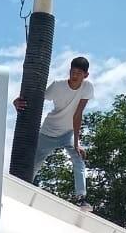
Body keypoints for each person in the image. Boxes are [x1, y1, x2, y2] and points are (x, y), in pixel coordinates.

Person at [14, 56, 93, 208]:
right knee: (35, 163)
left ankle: (81, 197)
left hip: (68, 133)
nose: (74, 76)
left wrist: (77, 144)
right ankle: (21, 190)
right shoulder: (58, 86)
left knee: (78, 159)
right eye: (73, 72)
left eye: (78, 73)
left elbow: (78, 115)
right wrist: (17, 101)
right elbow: (36, 98)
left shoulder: (87, 88)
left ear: (86, 75)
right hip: (48, 131)